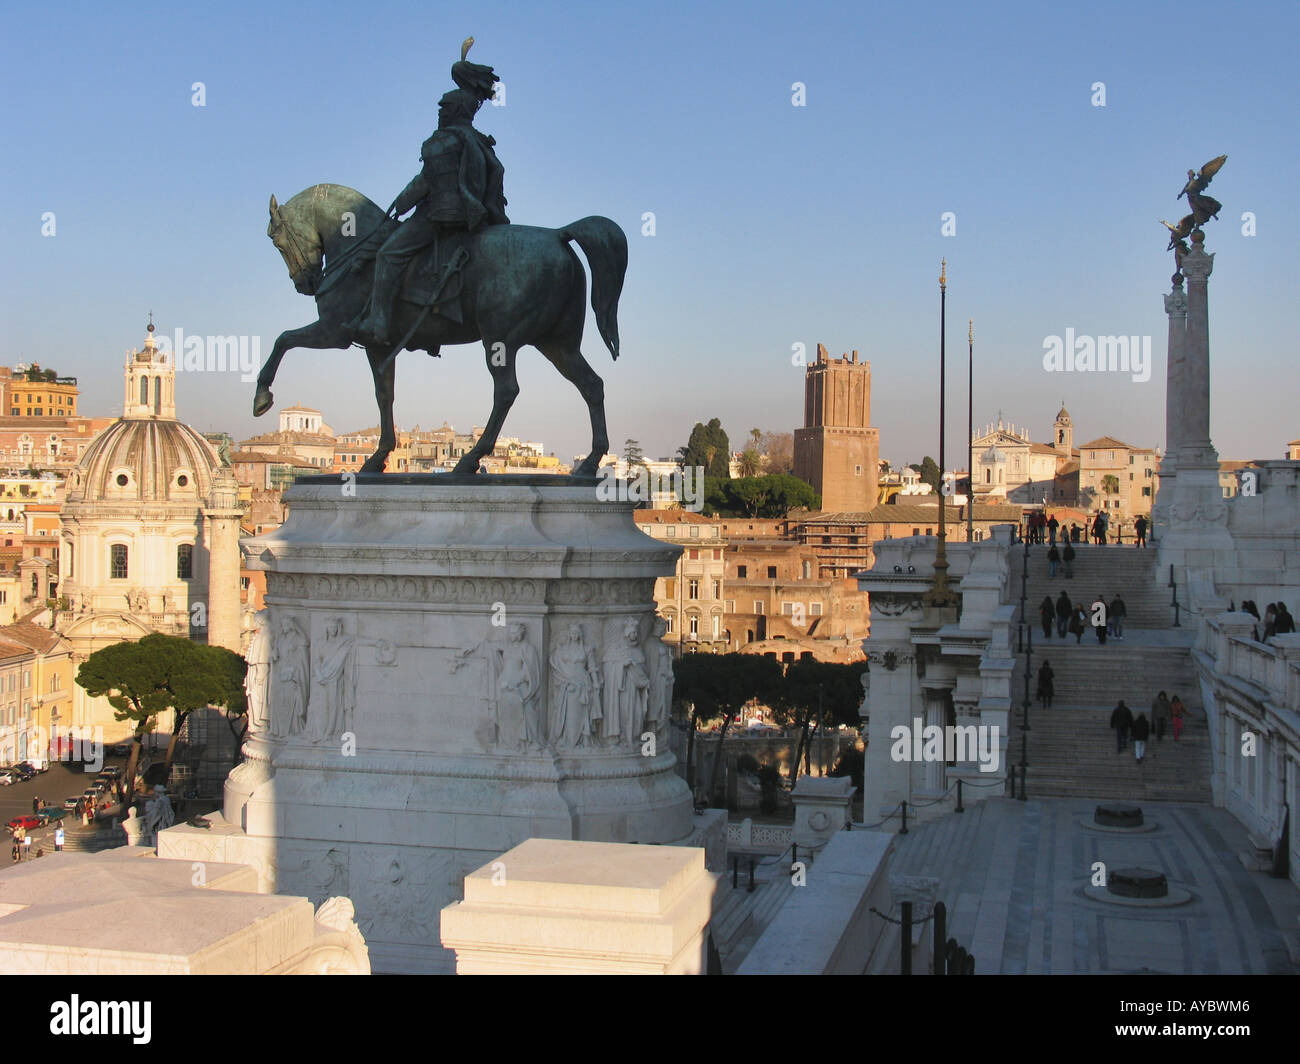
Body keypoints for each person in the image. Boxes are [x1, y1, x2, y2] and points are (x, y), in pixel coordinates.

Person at [354, 42, 508, 347]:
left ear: (453, 110)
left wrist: (400, 203)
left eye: (443, 108)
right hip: (474, 216)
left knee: (387, 254)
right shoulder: (477, 141)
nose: (440, 113)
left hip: (441, 217)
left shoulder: (442, 141)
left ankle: (379, 323)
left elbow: (427, 181)